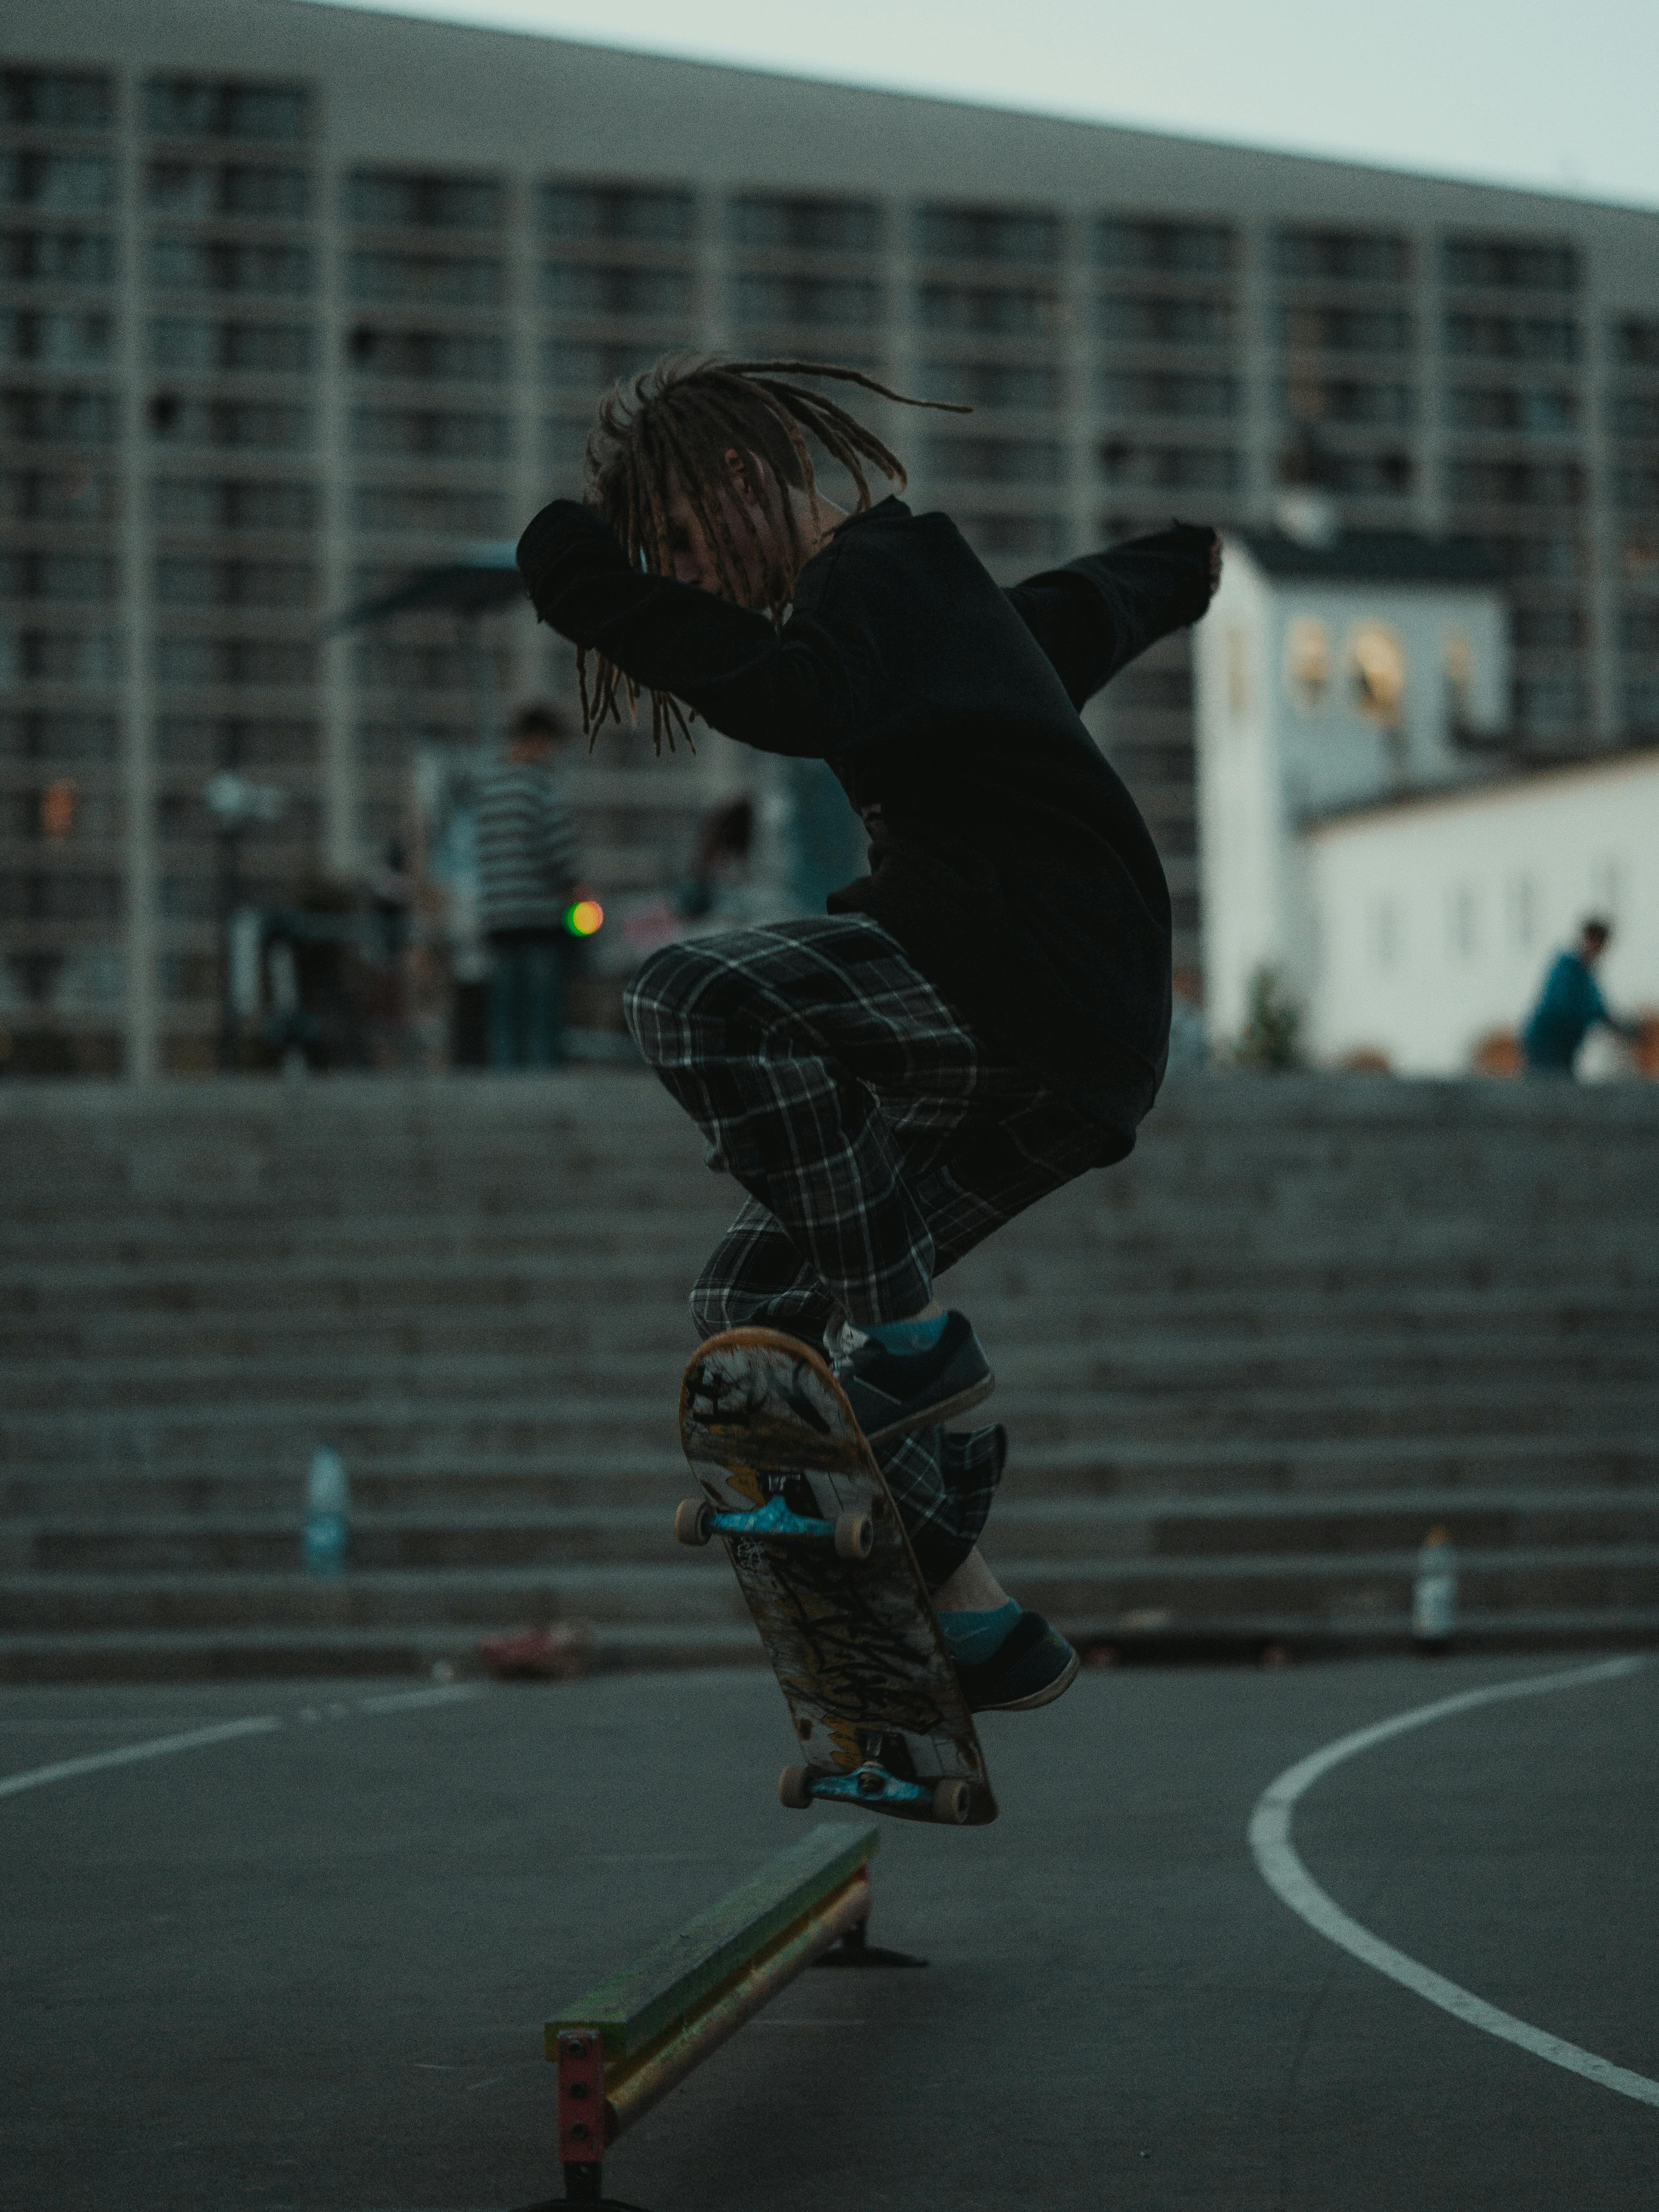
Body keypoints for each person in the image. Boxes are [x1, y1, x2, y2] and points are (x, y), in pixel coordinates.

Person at [516, 357, 1220, 1712]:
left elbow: (794, 698)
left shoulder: (878, 573)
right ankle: (972, 1620)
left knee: (690, 995)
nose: (691, 581)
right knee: (748, 1313)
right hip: (1073, 1059)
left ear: (738, 485)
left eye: (680, 548)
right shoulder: (960, 624)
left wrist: (587, 582)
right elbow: (1088, 610)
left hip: (1024, 970)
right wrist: (1188, 563)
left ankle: (910, 1356)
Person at [474, 703, 581, 1070]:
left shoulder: (490, 790)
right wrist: (579, 890)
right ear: (540, 740)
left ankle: (506, 1087)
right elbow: (558, 853)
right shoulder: (540, 786)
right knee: (542, 1011)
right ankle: (542, 1089)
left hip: (498, 917)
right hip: (539, 918)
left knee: (504, 1009)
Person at [1521, 916, 1640, 1077]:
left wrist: (1623, 1028)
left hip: (1567, 1049)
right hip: (1547, 1045)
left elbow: (1600, 1010)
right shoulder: (1565, 968)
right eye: (1594, 942)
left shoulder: (1588, 976)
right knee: (1549, 1090)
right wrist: (1594, 1019)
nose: (1598, 951)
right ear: (1585, 939)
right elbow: (1563, 1007)